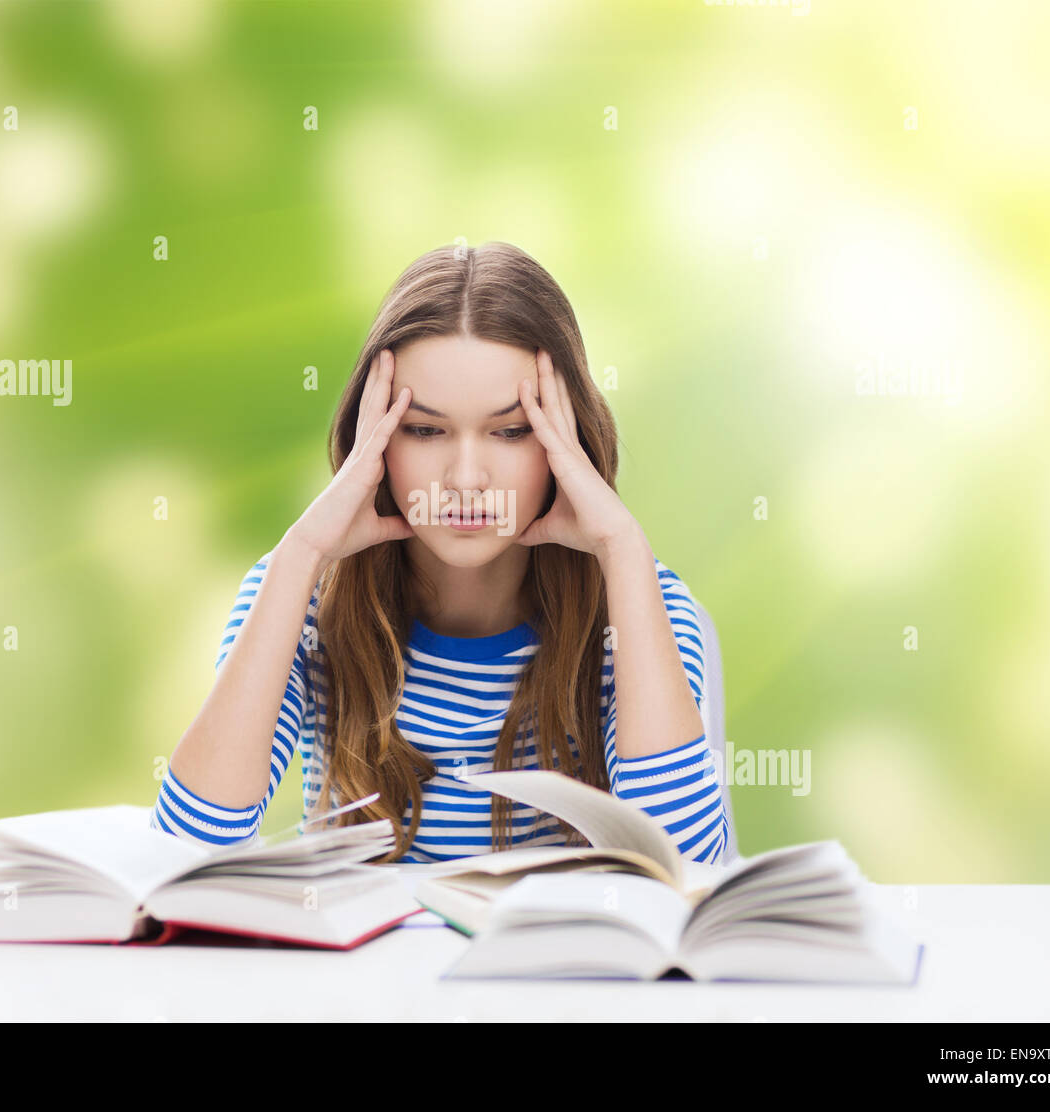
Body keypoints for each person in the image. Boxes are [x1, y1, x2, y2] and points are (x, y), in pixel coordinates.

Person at [150, 241, 728, 865]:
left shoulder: (643, 602)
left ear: (569, 439)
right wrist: (301, 555)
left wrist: (622, 548)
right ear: (372, 439)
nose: (467, 478)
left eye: (511, 431)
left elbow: (687, 868)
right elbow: (188, 850)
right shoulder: (301, 593)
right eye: (425, 430)